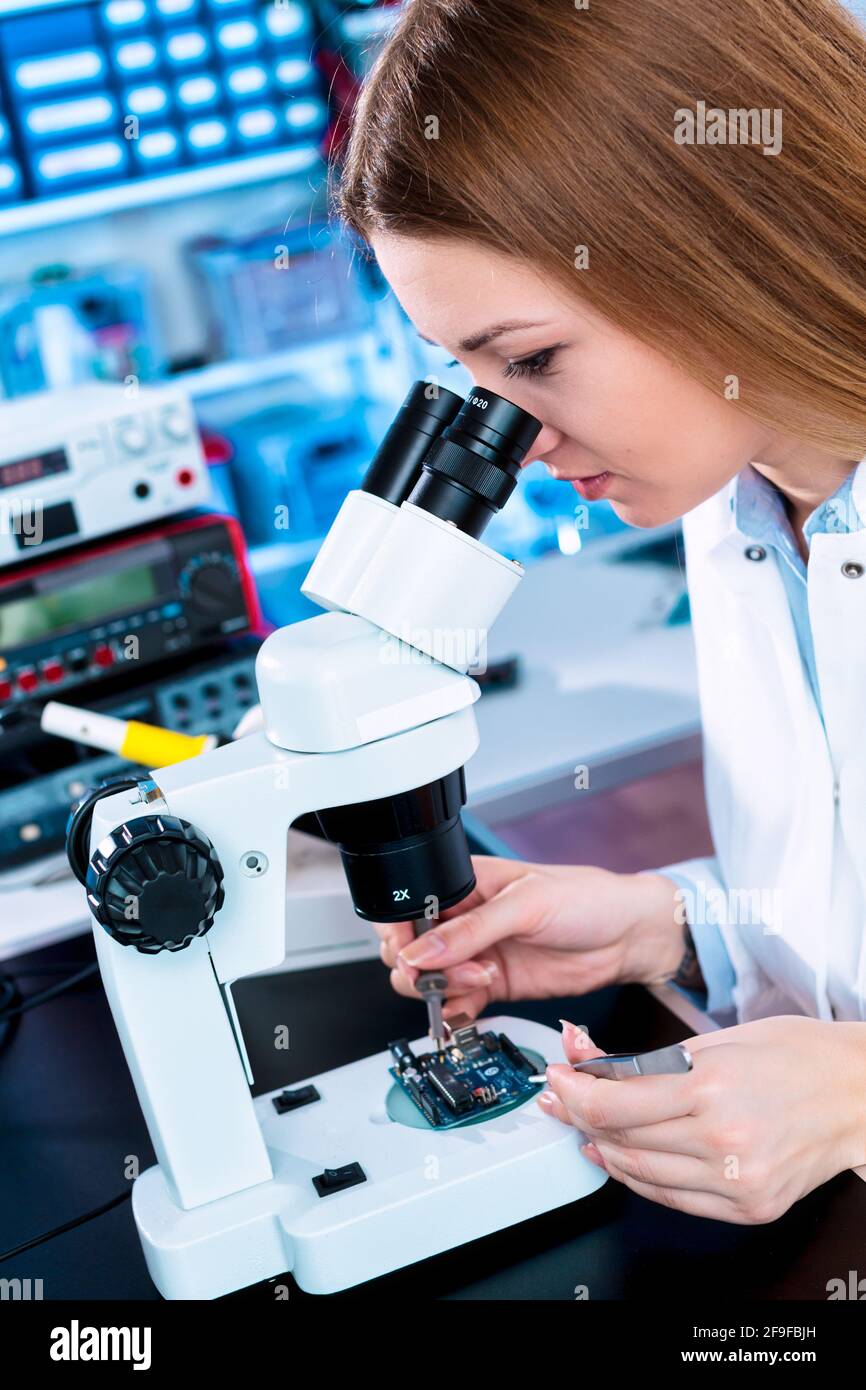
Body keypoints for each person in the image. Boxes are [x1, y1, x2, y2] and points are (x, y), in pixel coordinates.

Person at [332, 0, 866, 1223]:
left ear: (728, 249)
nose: (513, 445)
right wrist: (673, 930)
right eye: (470, 379)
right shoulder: (737, 502)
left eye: (529, 361)